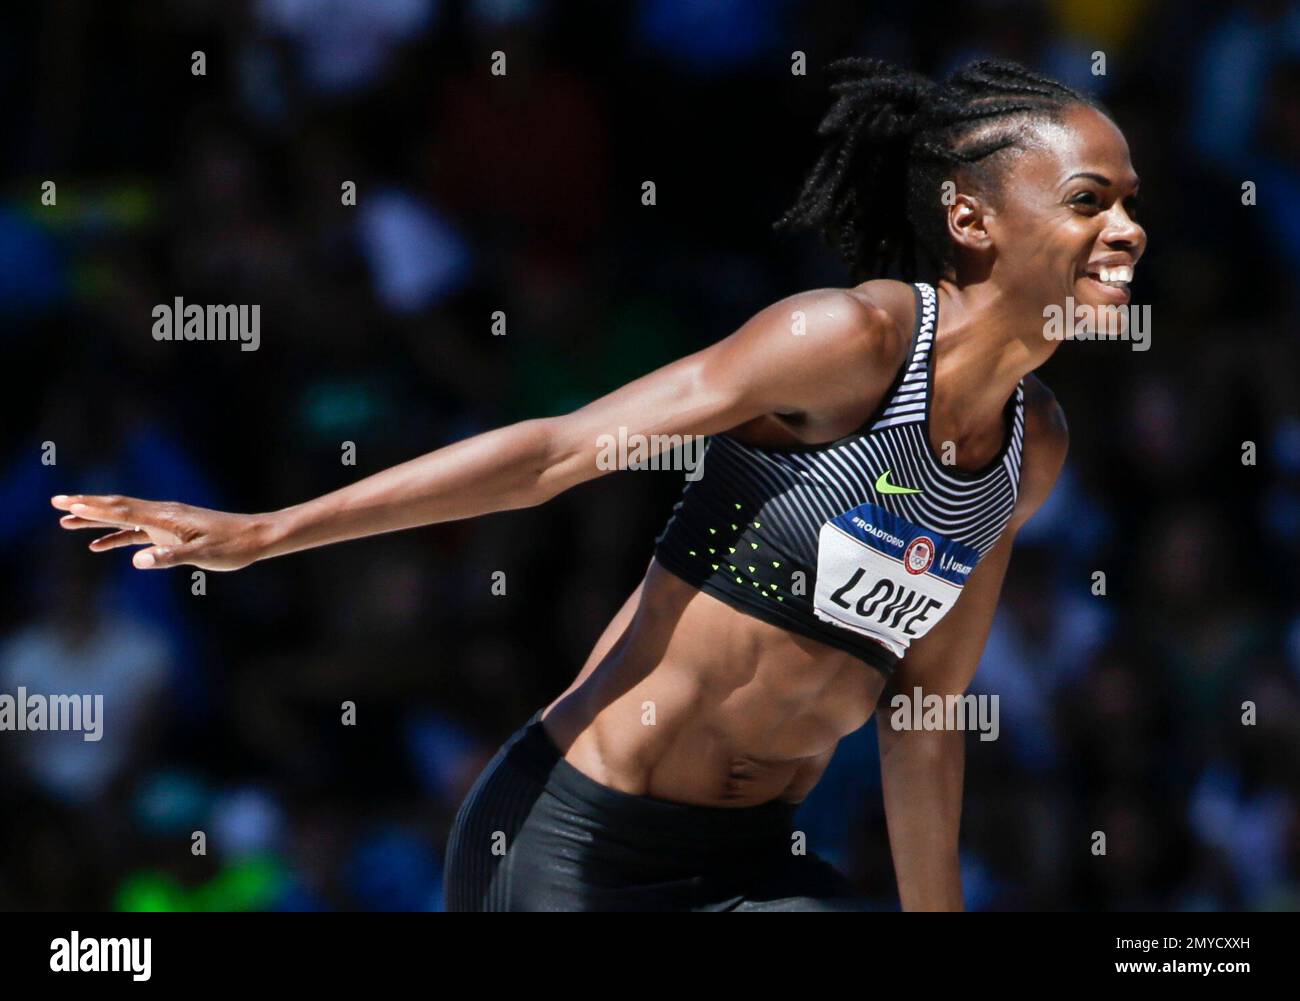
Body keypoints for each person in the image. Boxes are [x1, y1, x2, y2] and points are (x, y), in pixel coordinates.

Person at [52, 57, 1145, 911]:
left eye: (1131, 201)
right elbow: (554, 452)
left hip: (750, 862)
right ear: (971, 219)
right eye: (1089, 199)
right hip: (572, 844)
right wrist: (266, 530)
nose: (1128, 229)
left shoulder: (1028, 446)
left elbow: (923, 709)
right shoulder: (848, 340)